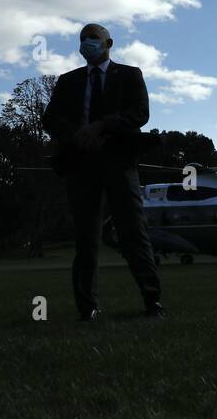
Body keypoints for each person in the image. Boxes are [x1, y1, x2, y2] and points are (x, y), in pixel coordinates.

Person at [40, 23, 165, 321]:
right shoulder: (68, 81)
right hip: (81, 165)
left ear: (109, 42)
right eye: (82, 39)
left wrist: (103, 126)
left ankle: (153, 303)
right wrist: (77, 134)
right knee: (86, 238)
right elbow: (51, 119)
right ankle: (88, 308)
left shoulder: (130, 75)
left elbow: (140, 114)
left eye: (93, 38)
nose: (87, 43)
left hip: (119, 163)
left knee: (133, 232)